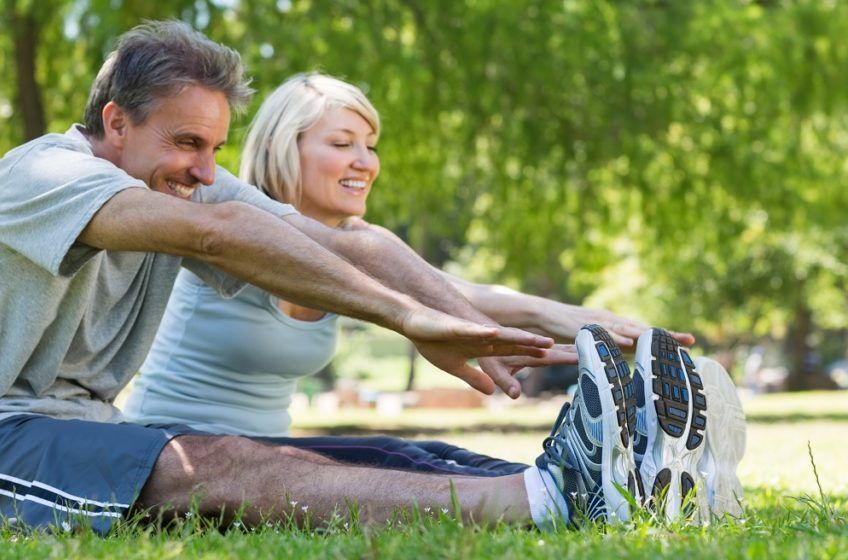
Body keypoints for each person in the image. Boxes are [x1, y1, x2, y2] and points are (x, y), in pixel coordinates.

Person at [0, 21, 624, 535]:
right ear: (115, 122)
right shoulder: (42, 175)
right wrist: (407, 319)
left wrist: (454, 314)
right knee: (222, 465)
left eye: (215, 147)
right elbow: (219, 234)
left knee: (369, 453)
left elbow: (342, 243)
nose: (205, 170)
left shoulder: (181, 181)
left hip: (81, 433)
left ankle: (594, 477)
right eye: (188, 142)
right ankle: (555, 503)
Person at [123, 74, 687, 479]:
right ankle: (579, 486)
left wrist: (581, 321)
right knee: (407, 465)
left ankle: (617, 476)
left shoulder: (356, 246)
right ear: (281, 148)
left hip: (271, 449)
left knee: (445, 457)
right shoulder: (235, 229)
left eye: (369, 146)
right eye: (342, 144)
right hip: (185, 458)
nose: (365, 161)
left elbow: (454, 293)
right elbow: (412, 292)